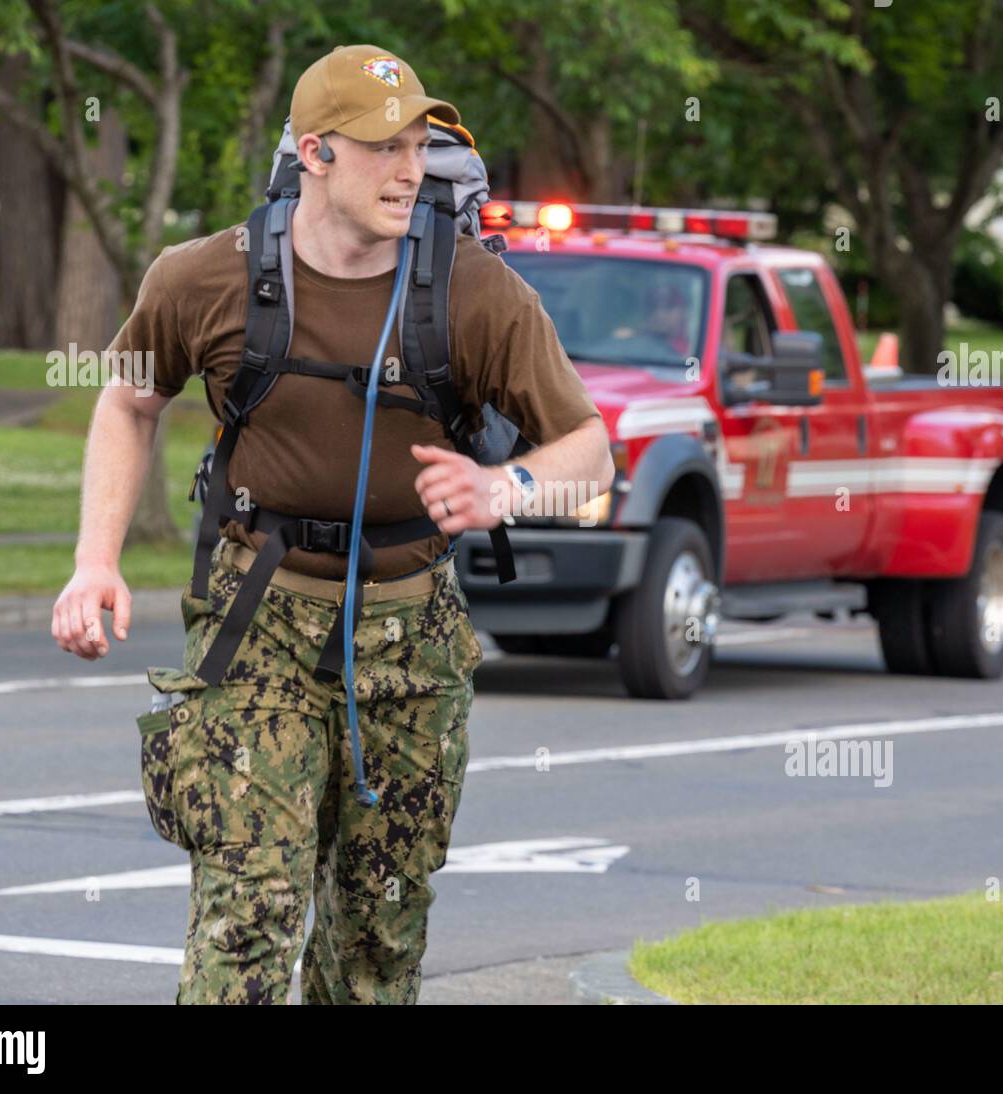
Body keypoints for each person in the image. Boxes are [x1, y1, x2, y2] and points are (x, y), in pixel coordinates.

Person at [50, 43, 614, 1004]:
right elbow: (128, 401)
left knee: (375, 944)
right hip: (256, 617)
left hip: (411, 632)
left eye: (421, 145)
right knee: (248, 914)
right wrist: (94, 560)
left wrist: (505, 490)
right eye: (382, 147)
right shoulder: (202, 279)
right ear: (314, 155)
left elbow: (591, 452)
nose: (409, 169)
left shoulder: (475, 292)